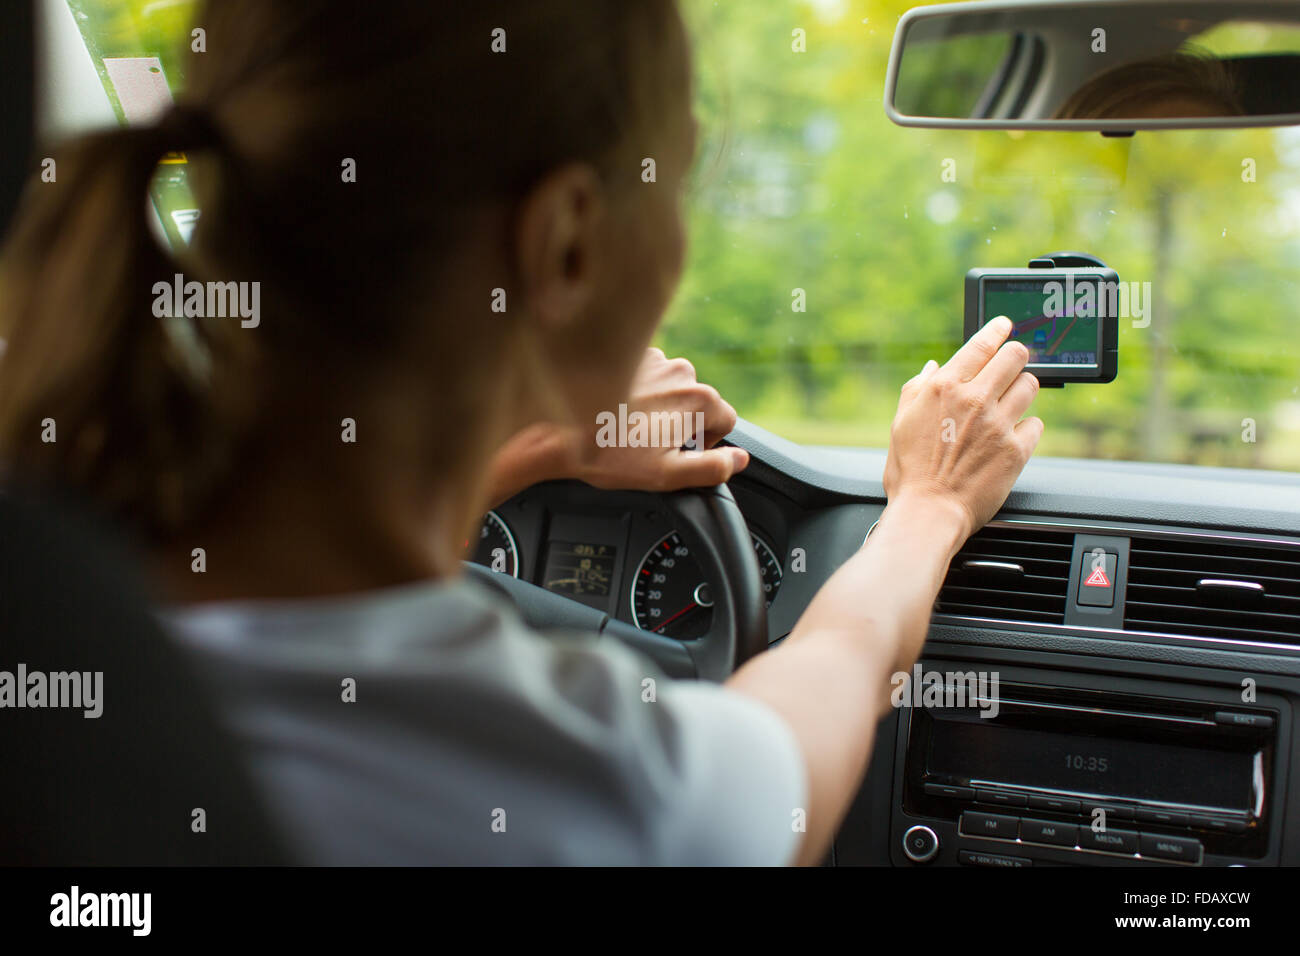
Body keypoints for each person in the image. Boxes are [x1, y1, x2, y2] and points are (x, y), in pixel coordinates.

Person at [0, 0, 1042, 865]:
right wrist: (928, 506)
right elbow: (830, 686)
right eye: (672, 186)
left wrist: (540, 438)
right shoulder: (587, 789)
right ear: (566, 241)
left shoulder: (64, 599)